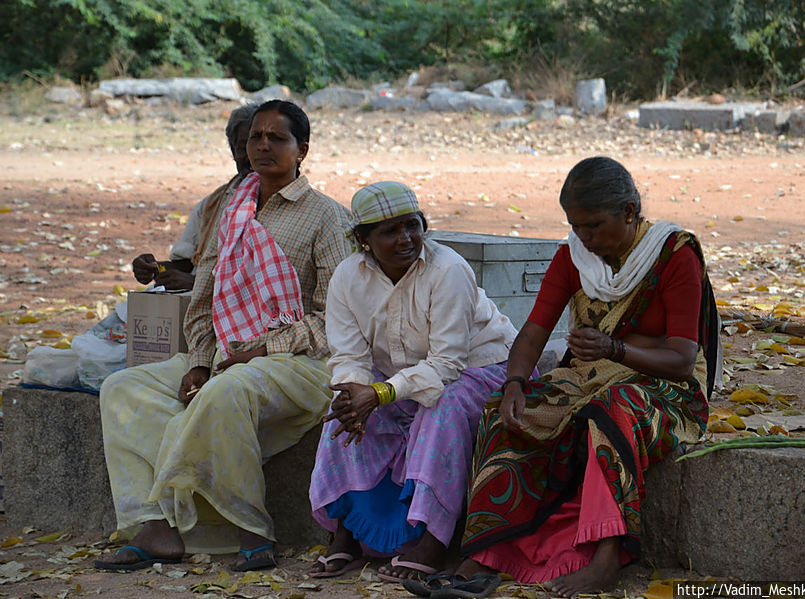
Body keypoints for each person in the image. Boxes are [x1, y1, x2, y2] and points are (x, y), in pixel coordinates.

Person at [94, 100, 352, 572]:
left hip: (304, 361)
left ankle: (252, 527)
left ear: (302, 150)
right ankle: (154, 523)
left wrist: (260, 349)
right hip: (227, 353)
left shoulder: (327, 217)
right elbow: (205, 299)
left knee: (228, 388)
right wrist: (197, 359)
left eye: (278, 138)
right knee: (122, 387)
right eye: (256, 136)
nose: (263, 145)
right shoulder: (232, 210)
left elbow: (337, 319)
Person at [451, 157, 721, 597]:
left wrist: (616, 349)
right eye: (576, 226)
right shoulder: (573, 257)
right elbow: (534, 332)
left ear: (630, 212)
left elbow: (682, 359)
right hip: (589, 376)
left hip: (668, 390)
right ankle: (488, 550)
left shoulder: (674, 254)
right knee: (504, 414)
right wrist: (515, 384)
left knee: (608, 412)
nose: (584, 237)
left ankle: (606, 557)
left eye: (593, 226)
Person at [308, 181, 518, 582]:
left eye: (412, 226)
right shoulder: (347, 276)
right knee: (343, 409)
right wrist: (356, 391)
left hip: (482, 370)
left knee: (441, 407)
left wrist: (382, 392)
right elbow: (349, 356)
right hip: (400, 377)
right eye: (389, 231)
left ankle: (432, 540)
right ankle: (347, 530)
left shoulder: (448, 270)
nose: (405, 239)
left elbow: (446, 365)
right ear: (363, 240)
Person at [130, 104, 256, 290]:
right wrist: (155, 268)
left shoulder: (292, 210)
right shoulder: (213, 205)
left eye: (260, 145)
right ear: (233, 152)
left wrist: (198, 285)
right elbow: (189, 264)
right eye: (243, 146)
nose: (255, 154)